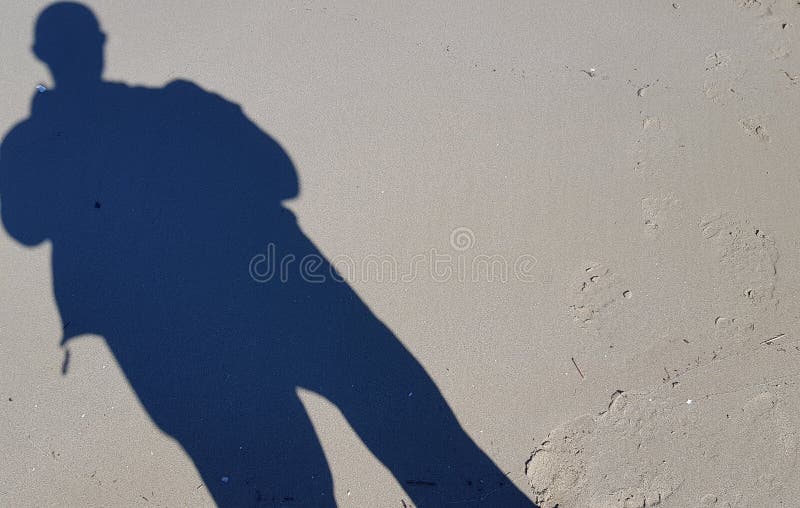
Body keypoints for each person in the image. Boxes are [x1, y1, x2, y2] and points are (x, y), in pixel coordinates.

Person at [0, 3, 535, 506]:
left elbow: (25, 229)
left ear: (44, 55)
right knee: (420, 437)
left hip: (170, 338)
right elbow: (284, 177)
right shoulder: (178, 104)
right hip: (282, 287)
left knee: (289, 487)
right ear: (99, 46)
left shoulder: (31, 144)